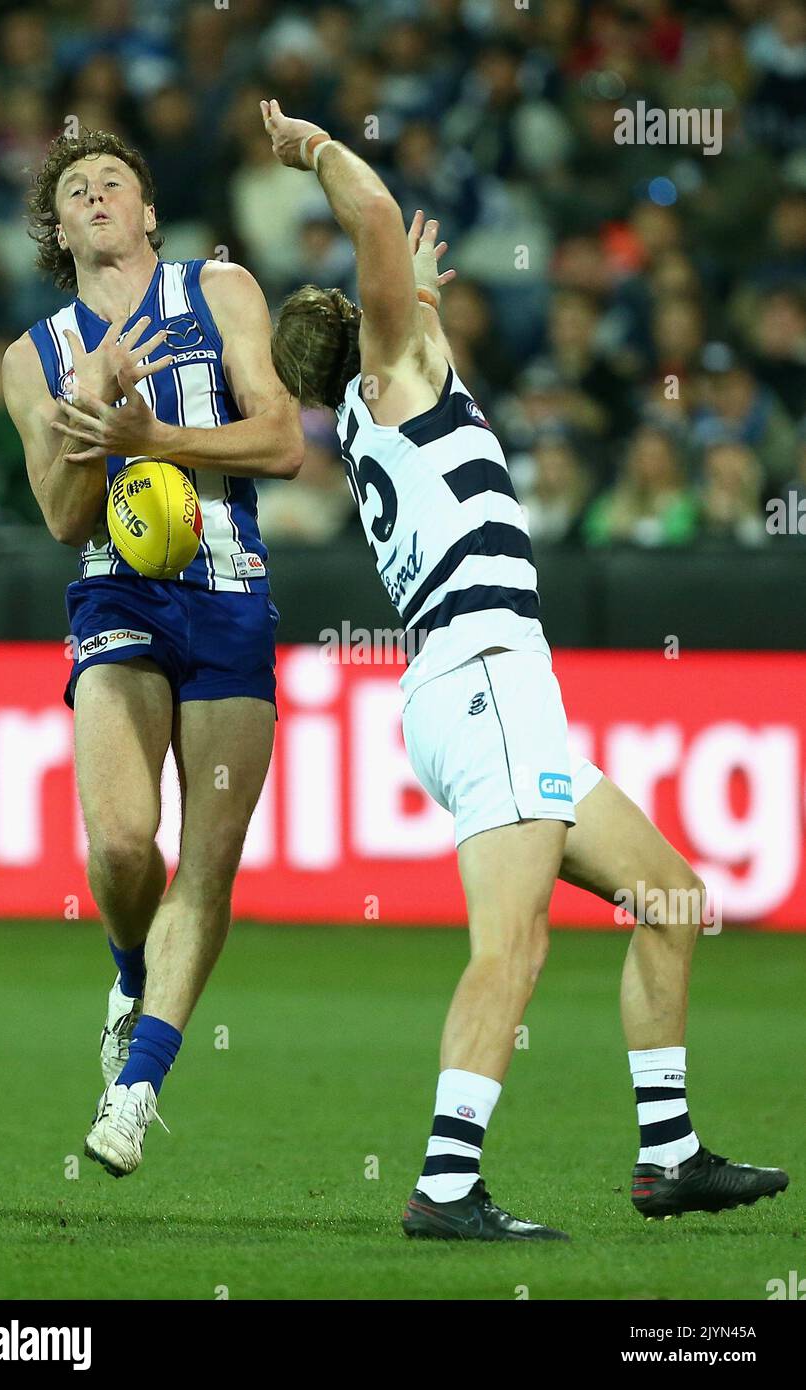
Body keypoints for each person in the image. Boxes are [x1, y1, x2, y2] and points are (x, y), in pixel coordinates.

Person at [261, 98, 789, 1241]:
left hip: (489, 684)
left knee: (669, 900)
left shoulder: (371, 412)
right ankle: (445, 1185)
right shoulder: (392, 366)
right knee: (513, 945)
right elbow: (371, 223)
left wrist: (423, 291)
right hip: (484, 671)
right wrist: (314, 148)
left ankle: (668, 1155)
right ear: (374, 322)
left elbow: (400, 290)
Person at [2, 129, 303, 1177]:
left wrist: (148, 436)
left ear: (146, 215)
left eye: (111, 181)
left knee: (207, 864)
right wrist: (89, 413)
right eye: (72, 188)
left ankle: (135, 1090)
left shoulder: (218, 290)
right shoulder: (30, 359)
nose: (91, 193)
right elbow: (58, 515)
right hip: (116, 595)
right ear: (57, 230)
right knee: (126, 848)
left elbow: (281, 443)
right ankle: (129, 972)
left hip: (229, 594)